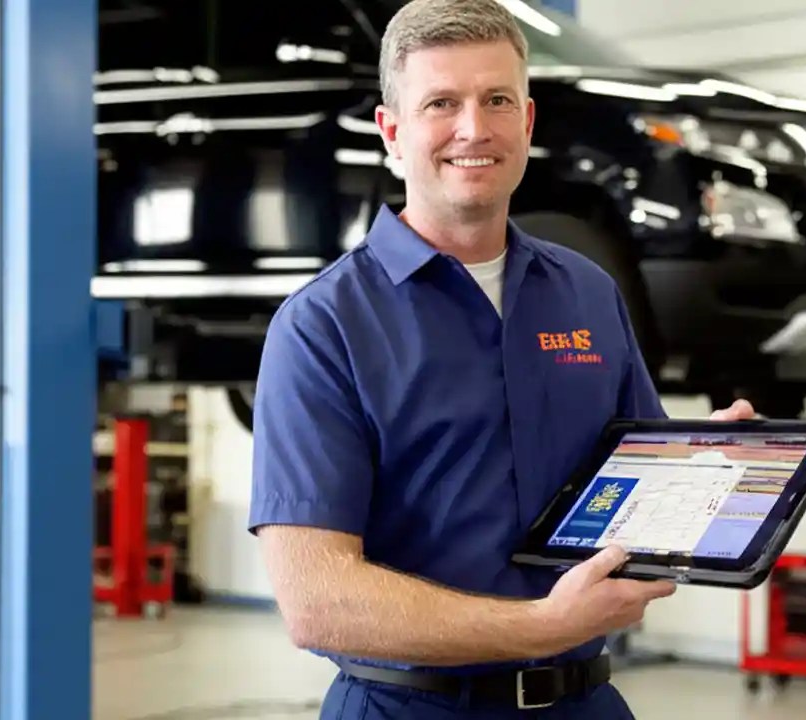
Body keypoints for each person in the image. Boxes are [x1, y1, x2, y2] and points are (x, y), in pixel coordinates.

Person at [247, 0, 755, 717]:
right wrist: (543, 626)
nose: (473, 129)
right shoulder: (323, 326)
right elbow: (317, 603)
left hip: (585, 702)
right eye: (441, 103)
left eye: (496, 100)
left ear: (528, 121)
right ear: (392, 132)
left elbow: (637, 504)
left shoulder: (586, 293)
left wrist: (717, 465)